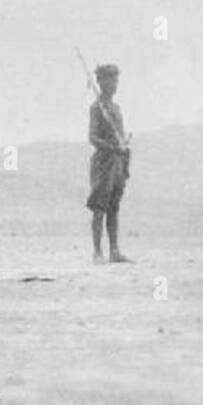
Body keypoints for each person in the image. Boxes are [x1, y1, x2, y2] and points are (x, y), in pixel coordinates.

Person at [86, 64, 131, 263]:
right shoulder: (96, 108)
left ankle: (114, 251)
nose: (113, 84)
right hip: (103, 163)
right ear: (100, 82)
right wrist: (112, 148)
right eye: (109, 80)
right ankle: (97, 252)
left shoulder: (117, 109)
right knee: (99, 207)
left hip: (119, 163)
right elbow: (92, 137)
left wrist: (124, 153)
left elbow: (121, 136)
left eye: (115, 81)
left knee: (114, 207)